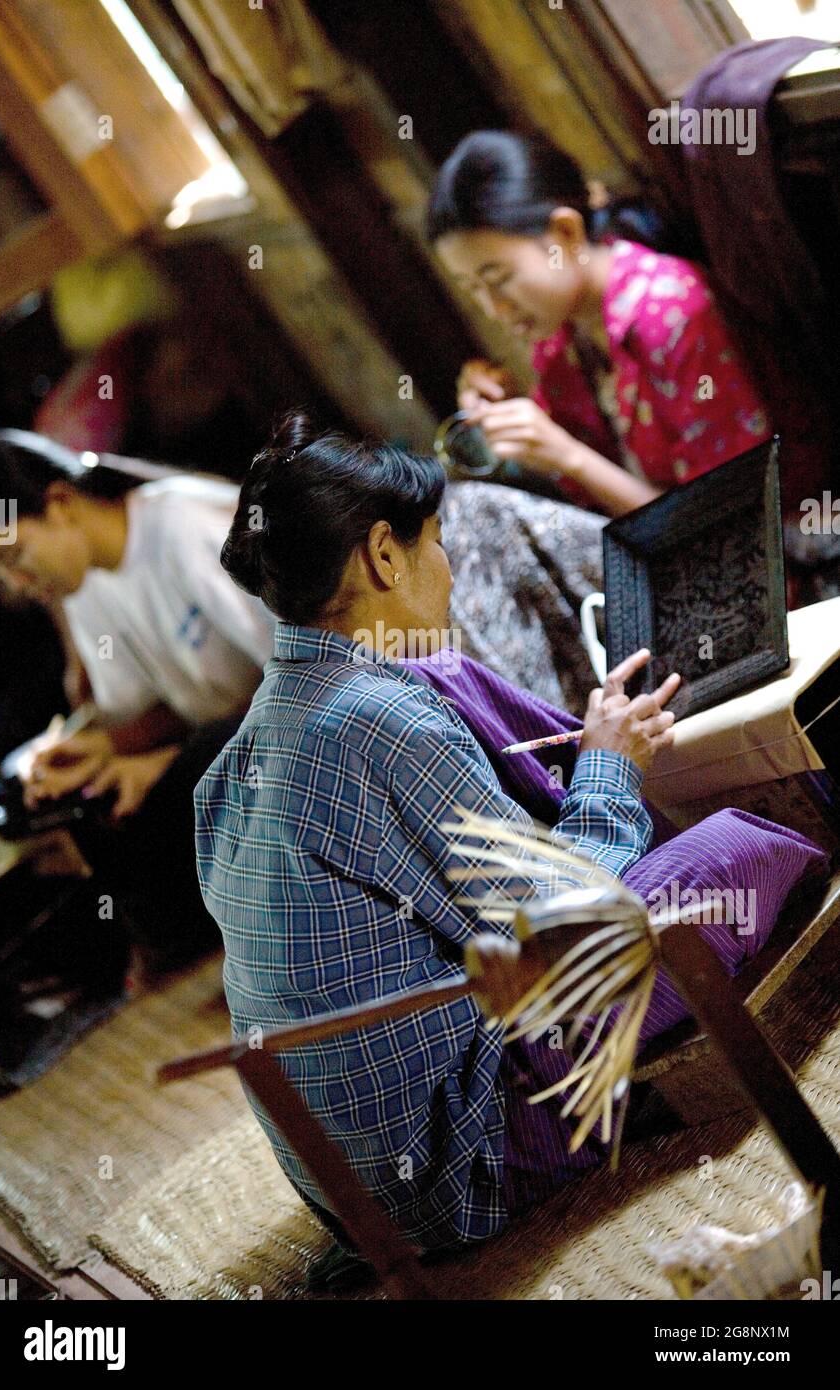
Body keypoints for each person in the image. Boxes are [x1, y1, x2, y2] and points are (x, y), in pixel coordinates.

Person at [195, 415, 823, 1256]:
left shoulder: (232, 764)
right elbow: (573, 921)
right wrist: (605, 765)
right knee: (744, 848)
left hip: (349, 1197)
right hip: (462, 1161)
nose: (450, 575)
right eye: (438, 545)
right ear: (385, 555)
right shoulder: (380, 720)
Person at [0, 433, 276, 964]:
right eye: (0, 576)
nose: (18, 584)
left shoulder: (182, 526)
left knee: (194, 774)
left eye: (14, 555)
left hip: (322, 721)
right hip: (240, 745)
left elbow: (313, 670)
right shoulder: (87, 584)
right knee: (107, 827)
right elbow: (167, 704)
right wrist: (108, 749)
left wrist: (163, 761)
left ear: (61, 503)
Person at [428, 131, 772, 517]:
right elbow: (590, 491)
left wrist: (568, 456)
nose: (494, 309)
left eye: (499, 279)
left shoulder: (672, 312)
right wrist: (509, 412)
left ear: (566, 232)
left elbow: (734, 524)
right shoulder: (557, 333)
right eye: (473, 288)